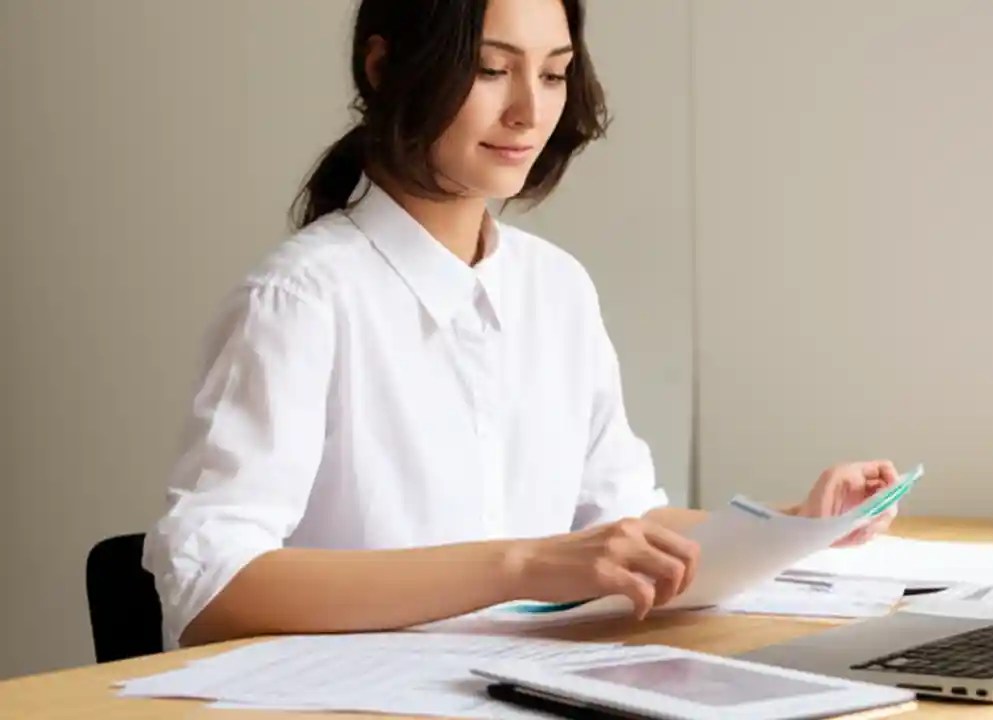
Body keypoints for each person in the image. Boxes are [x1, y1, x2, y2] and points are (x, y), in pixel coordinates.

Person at [142, 0, 900, 650]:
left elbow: (625, 522)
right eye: (490, 68)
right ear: (383, 68)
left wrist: (795, 525)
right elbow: (213, 586)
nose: (530, 112)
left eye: (553, 72)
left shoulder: (556, 288)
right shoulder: (304, 297)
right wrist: (524, 565)